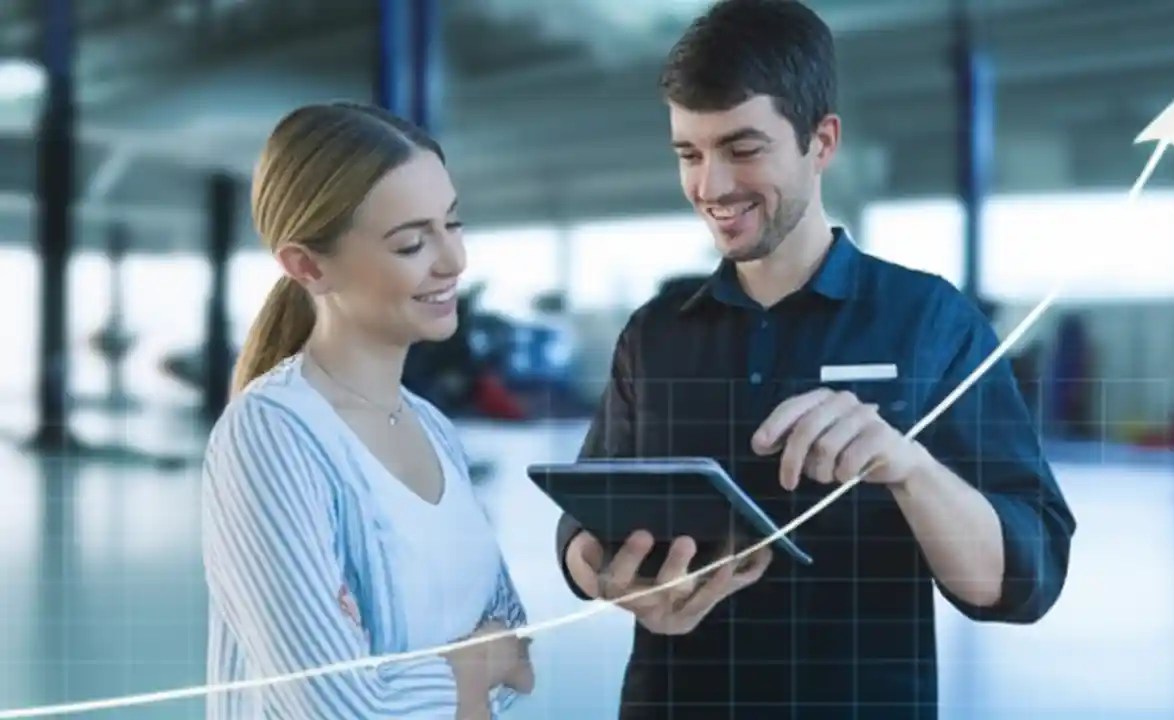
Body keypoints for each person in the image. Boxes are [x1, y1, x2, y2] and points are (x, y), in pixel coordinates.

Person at [554, 1, 1076, 717]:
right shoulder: (655, 335)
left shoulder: (927, 322)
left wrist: (910, 468)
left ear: (821, 141)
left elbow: (1026, 575)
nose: (711, 187)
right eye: (689, 154)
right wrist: (606, 577)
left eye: (743, 149)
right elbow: (586, 521)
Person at [202, 102, 533, 720]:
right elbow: (343, 709)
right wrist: (474, 665)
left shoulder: (433, 428)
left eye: (453, 224)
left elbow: (518, 661)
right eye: (412, 243)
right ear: (308, 266)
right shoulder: (270, 436)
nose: (453, 261)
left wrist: (456, 668)